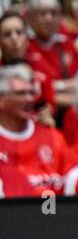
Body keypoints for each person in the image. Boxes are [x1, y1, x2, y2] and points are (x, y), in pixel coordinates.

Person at [0, 63, 67, 192]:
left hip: (49, 211)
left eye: (31, 93)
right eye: (20, 94)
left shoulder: (54, 138)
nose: (29, 99)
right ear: (1, 100)